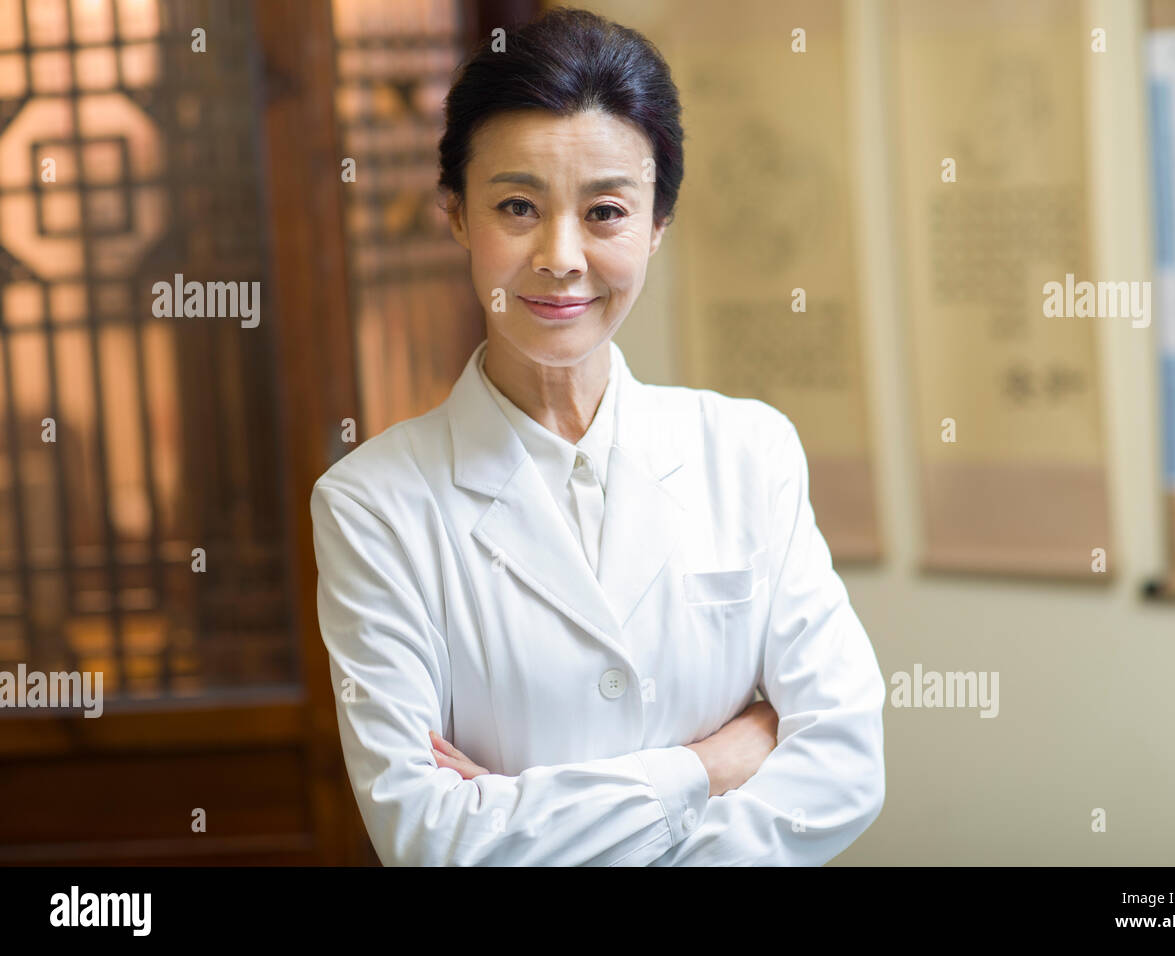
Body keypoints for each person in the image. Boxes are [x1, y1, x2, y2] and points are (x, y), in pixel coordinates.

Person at [311, 6, 885, 866]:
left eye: (606, 211)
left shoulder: (748, 452)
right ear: (457, 216)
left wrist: (519, 817)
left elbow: (844, 768)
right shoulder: (373, 506)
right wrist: (711, 763)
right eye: (517, 206)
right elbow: (430, 840)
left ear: (657, 226)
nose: (561, 256)